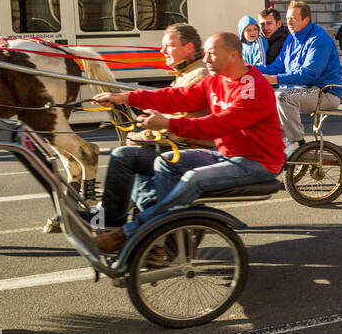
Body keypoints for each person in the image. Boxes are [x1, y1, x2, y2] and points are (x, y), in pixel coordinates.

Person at [91, 32, 284, 253]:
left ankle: (131, 232)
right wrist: (126, 98)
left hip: (257, 163)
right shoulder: (215, 79)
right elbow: (177, 97)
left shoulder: (253, 88)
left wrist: (168, 124)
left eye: (212, 54)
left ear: (233, 55)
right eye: (206, 54)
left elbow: (220, 124)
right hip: (226, 155)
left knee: (193, 179)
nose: (207, 58)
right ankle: (169, 239)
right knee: (165, 162)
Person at [95, 24, 212, 229]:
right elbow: (168, 107)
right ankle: (152, 224)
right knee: (134, 155)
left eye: (169, 45)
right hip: (183, 146)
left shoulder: (198, 75)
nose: (162, 51)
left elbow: (177, 126)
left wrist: (141, 136)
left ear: (189, 48)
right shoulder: (187, 72)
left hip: (194, 150)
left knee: (124, 157)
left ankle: (117, 222)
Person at [261, 1, 342, 152]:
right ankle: (279, 143)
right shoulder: (291, 38)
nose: (289, 23)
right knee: (267, 98)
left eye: (293, 18)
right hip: (302, 90)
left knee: (282, 97)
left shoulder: (318, 39)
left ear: (306, 20)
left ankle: (297, 144)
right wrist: (251, 69)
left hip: (324, 91)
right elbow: (277, 66)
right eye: (287, 18)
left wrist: (275, 79)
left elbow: (309, 74)